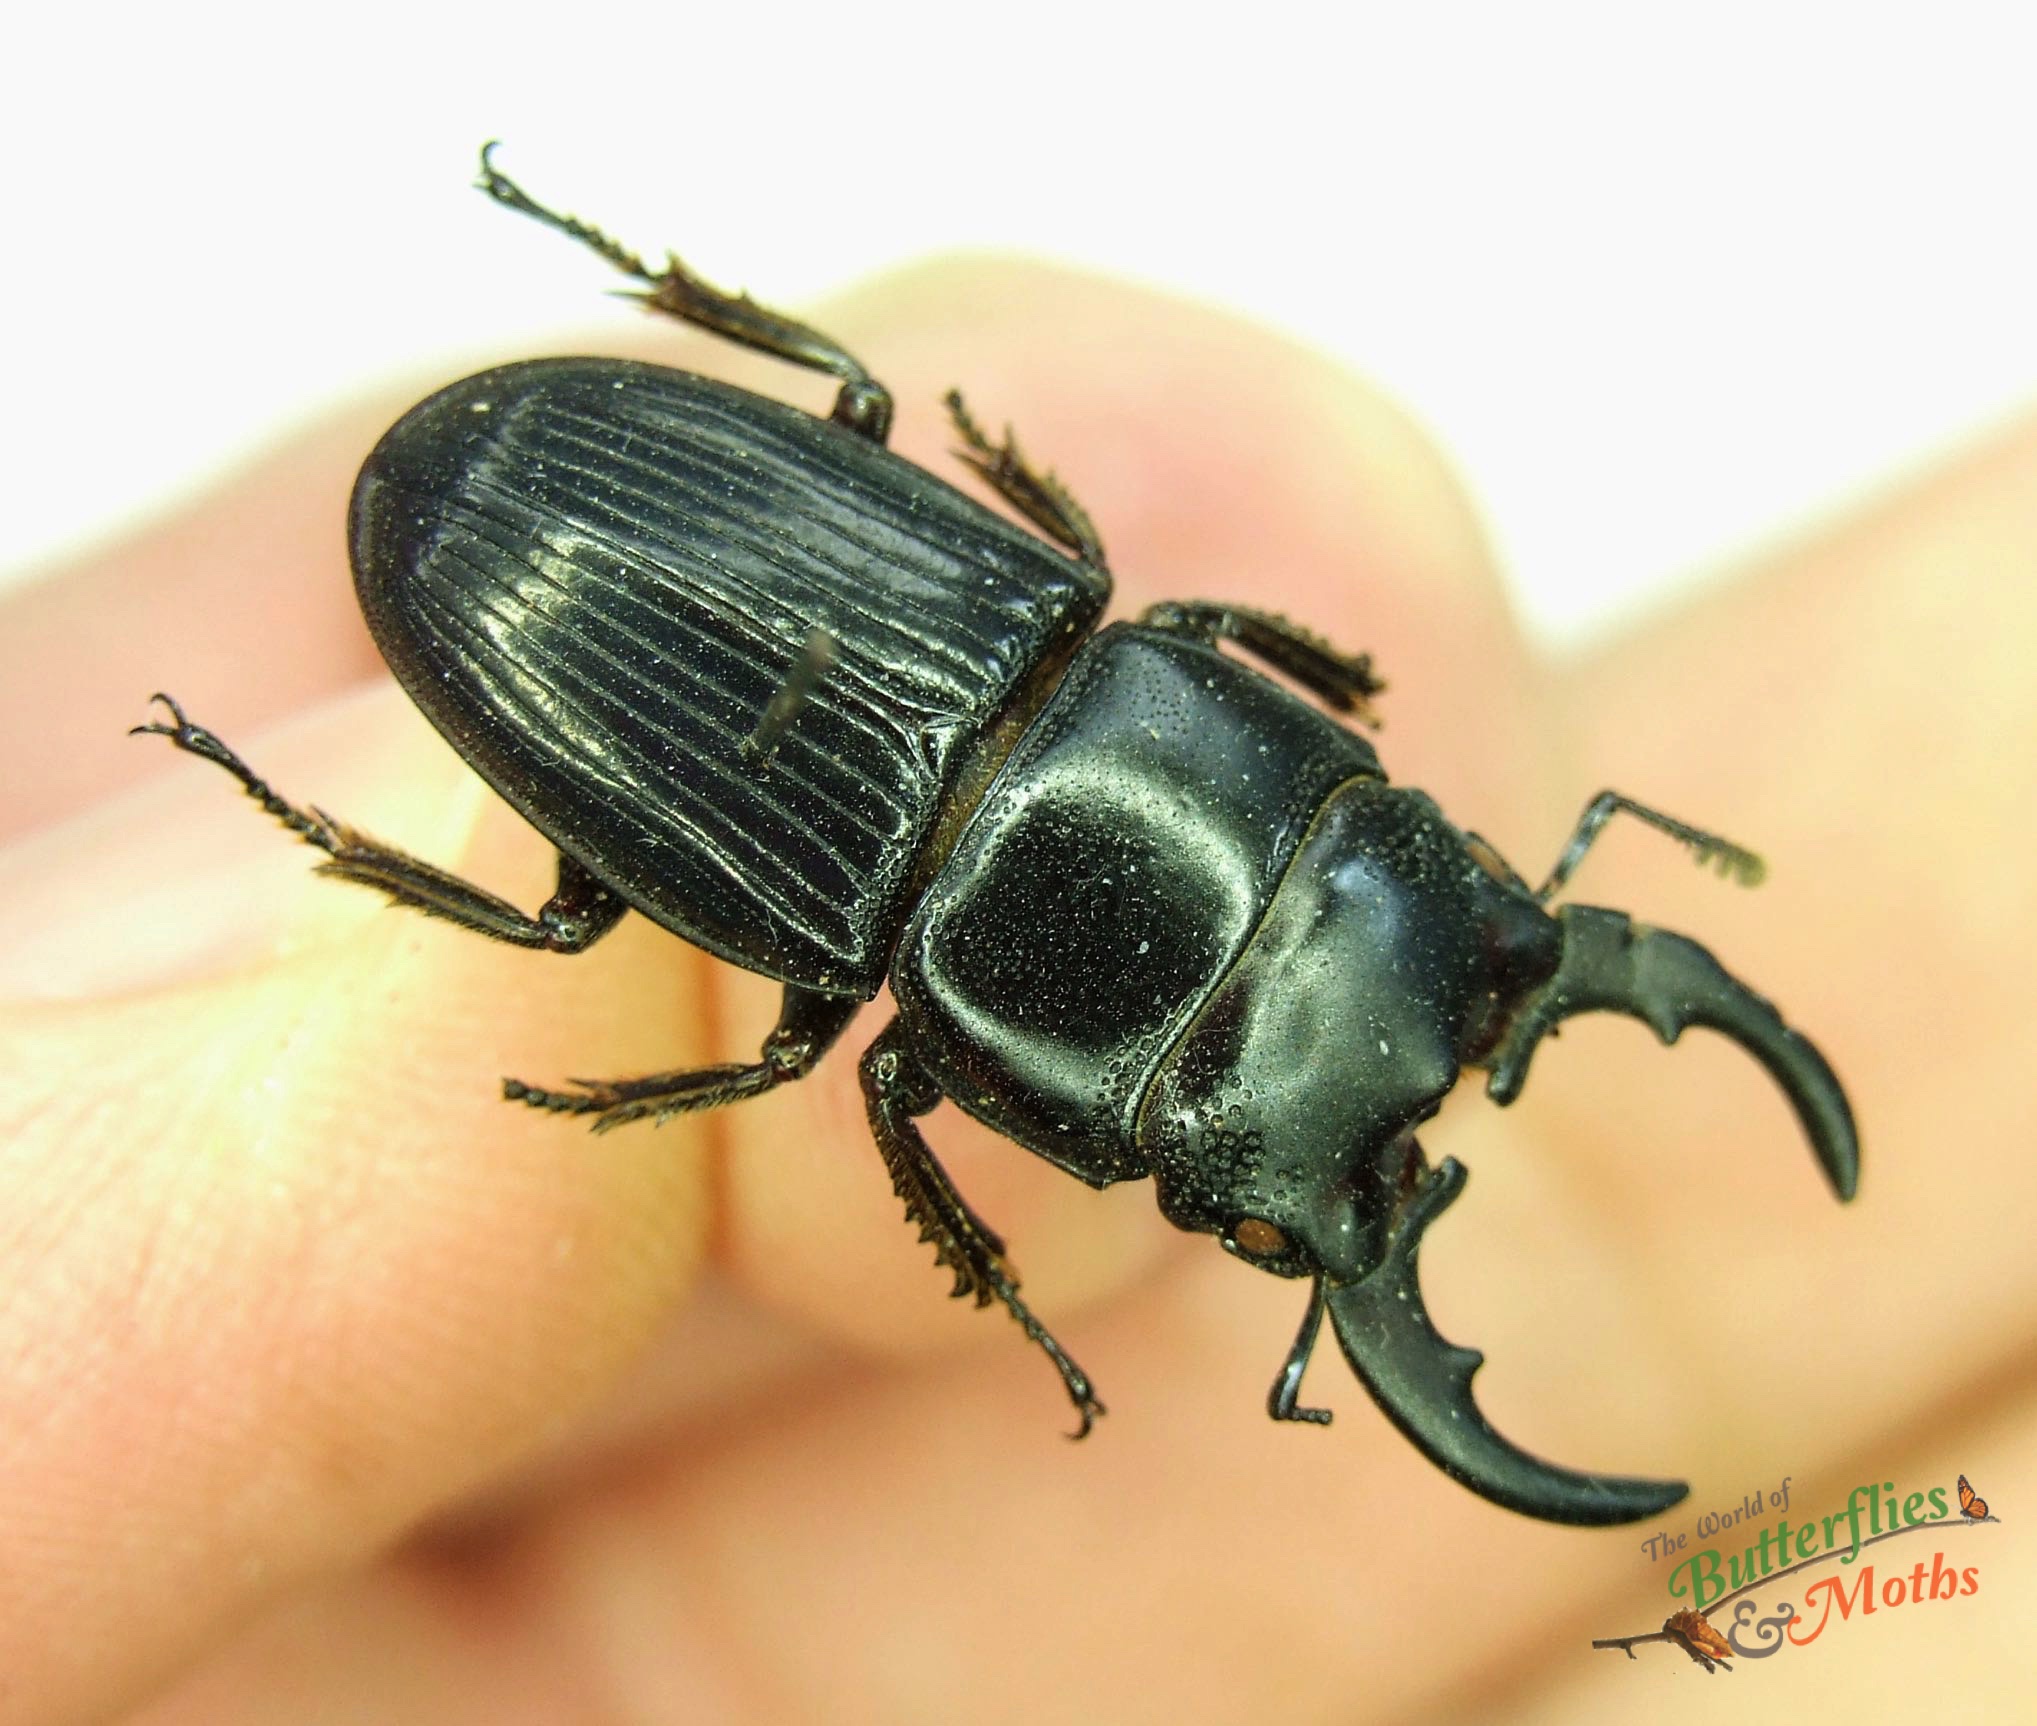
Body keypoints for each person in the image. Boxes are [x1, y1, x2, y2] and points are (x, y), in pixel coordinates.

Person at [1, 259, 2023, 1723]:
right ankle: (292, 814)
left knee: (852, 416)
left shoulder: (1082, 608)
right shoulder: (906, 919)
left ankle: (305, 794)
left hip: (687, 580)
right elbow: (888, 1087)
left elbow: (1181, 618)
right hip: (593, 588)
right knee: (591, 941)